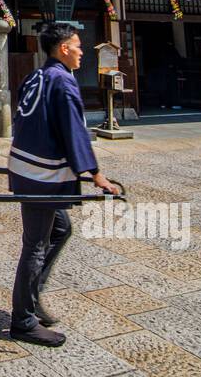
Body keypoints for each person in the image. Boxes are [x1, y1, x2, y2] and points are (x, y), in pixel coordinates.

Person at [8, 22, 121, 348]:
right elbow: (74, 132)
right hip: (41, 175)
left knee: (60, 229)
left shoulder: (36, 76)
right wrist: (96, 175)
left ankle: (32, 294)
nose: (82, 51)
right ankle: (23, 321)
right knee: (35, 245)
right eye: (77, 45)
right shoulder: (63, 82)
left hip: (25, 167)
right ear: (62, 49)